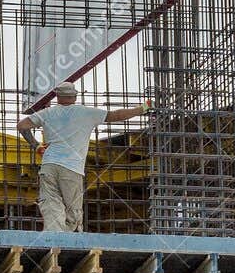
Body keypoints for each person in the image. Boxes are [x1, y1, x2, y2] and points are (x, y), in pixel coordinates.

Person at [16, 82, 149, 233]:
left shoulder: (47, 113)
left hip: (49, 165)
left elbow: (22, 126)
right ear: (74, 96)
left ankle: (54, 236)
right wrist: (143, 108)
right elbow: (116, 115)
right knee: (73, 208)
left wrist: (37, 146)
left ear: (58, 97)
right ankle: (70, 238)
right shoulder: (86, 113)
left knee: (51, 203)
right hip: (72, 168)